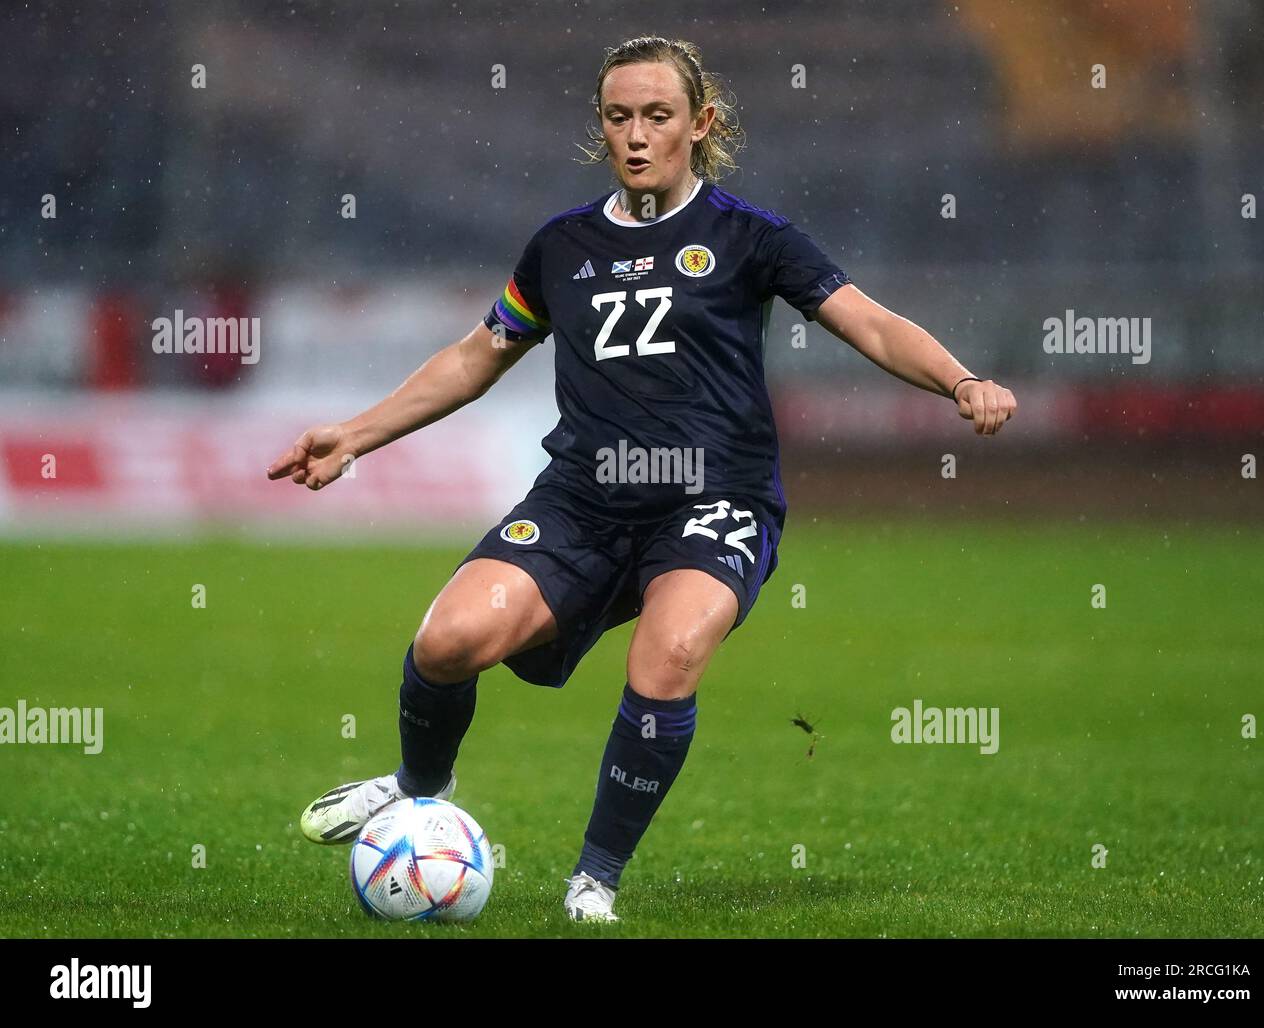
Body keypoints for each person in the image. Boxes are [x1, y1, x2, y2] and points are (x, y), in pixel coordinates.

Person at [268, 35, 1017, 923]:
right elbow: (478, 356)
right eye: (618, 117)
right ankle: (416, 788)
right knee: (446, 642)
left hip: (716, 500)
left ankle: (595, 880)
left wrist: (962, 379)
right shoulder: (561, 247)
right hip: (583, 500)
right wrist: (354, 434)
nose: (636, 135)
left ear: (699, 125)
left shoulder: (752, 238)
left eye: (657, 116)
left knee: (666, 657)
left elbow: (873, 324)